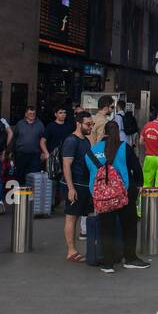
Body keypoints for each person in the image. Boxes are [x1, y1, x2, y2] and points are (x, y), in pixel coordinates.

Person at [92, 120, 150, 273]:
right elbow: (136, 168)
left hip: (102, 195)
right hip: (124, 192)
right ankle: (129, 257)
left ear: (104, 132)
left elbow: (90, 173)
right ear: (118, 132)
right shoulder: (124, 148)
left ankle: (107, 263)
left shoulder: (93, 150)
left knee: (106, 227)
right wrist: (138, 184)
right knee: (129, 226)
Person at [61, 111, 95, 263]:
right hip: (75, 184)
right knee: (71, 217)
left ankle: (78, 249)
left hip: (85, 184)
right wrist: (71, 188)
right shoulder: (71, 141)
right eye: (88, 124)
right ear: (78, 123)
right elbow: (66, 165)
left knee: (81, 215)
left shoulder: (86, 141)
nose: (91, 127)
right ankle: (71, 250)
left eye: (92, 124)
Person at [11, 105, 45, 184]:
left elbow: (43, 139)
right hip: (21, 154)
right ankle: (21, 194)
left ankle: (31, 195)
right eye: (30, 113)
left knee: (33, 176)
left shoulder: (40, 124)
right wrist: (11, 152)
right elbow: (14, 138)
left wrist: (43, 152)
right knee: (20, 175)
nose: (32, 115)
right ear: (26, 114)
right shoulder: (19, 124)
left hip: (35, 155)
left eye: (33, 113)